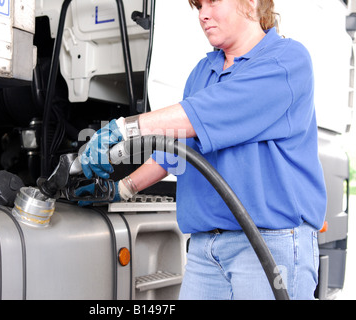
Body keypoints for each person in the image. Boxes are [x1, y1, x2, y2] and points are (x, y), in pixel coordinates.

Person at [76, 0, 326, 300]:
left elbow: (212, 111)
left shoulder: (286, 59)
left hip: (268, 245)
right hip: (206, 250)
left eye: (213, 2)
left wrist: (124, 128)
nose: (203, 14)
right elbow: (176, 148)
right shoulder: (202, 72)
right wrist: (124, 189)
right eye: (198, 6)